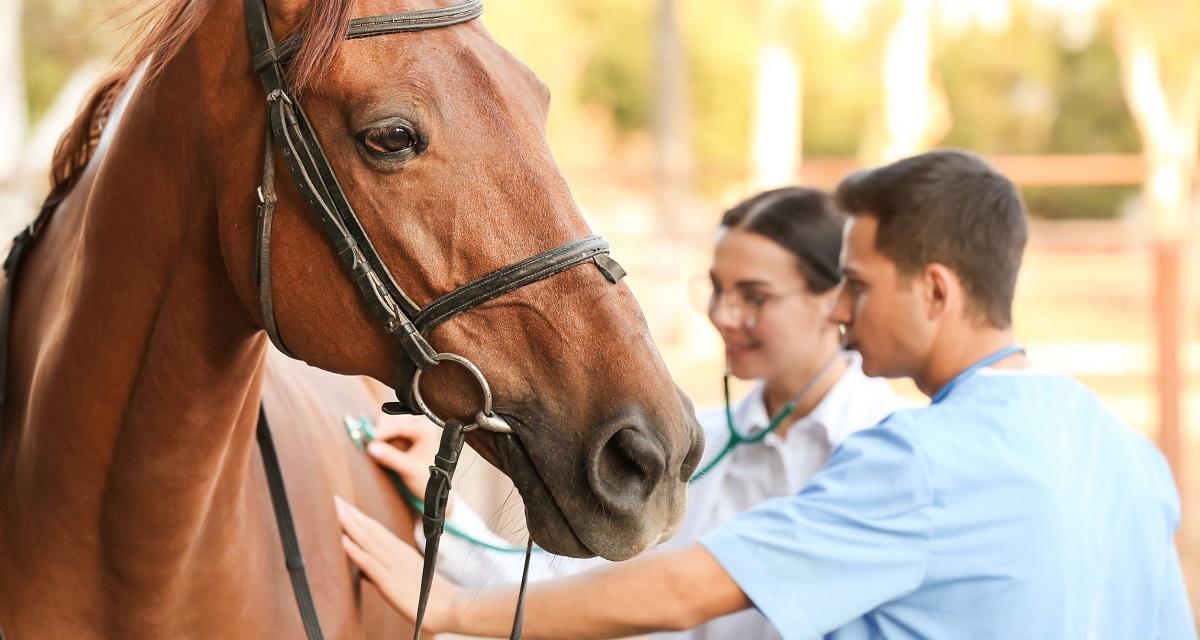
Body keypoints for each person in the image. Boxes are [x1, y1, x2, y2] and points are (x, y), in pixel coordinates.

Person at [337, 150, 1197, 640]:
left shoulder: (915, 459)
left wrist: (452, 609)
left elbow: (683, 596)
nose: (844, 308)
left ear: (935, 291)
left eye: (857, 285)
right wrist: (451, 528)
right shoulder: (1127, 453)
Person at [353, 186, 909, 639]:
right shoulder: (709, 441)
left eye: (754, 296)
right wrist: (442, 507)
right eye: (716, 289)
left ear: (832, 299)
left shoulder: (885, 452)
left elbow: (667, 600)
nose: (723, 315)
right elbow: (584, 601)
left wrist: (455, 612)